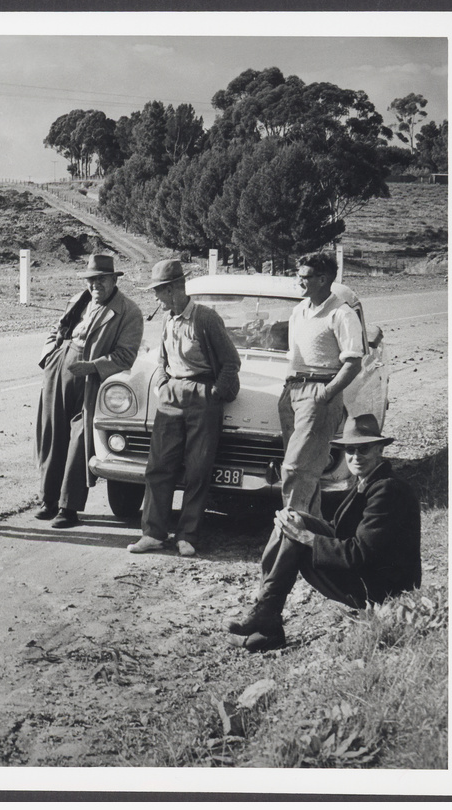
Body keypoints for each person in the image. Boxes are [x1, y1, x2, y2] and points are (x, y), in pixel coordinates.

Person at [226, 414, 421, 652]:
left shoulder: (387, 490)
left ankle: (267, 619)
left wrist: (306, 537)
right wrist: (296, 522)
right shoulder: (369, 482)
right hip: (367, 575)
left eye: (364, 449)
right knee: (292, 521)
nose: (355, 456)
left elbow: (360, 553)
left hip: (383, 589)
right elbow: (339, 530)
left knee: (296, 536)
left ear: (379, 450)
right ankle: (266, 618)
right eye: (350, 450)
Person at [127, 259, 241, 557]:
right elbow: (163, 359)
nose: (156, 297)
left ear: (177, 288)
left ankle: (187, 535)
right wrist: (163, 384)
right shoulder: (168, 319)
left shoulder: (205, 319)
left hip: (202, 395)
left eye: (160, 291)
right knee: (158, 466)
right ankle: (153, 533)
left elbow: (231, 362)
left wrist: (214, 393)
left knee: (198, 469)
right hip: (171, 396)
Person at [35, 253, 144, 528]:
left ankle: (68, 508)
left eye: (101, 279)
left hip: (92, 380)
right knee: (52, 433)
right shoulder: (79, 300)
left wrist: (93, 367)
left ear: (113, 280)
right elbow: (56, 329)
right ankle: (48, 500)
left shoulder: (129, 312)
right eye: (91, 280)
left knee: (80, 439)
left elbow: (125, 356)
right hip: (60, 369)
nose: (95, 285)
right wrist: (50, 355)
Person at [279, 252, 365, 519]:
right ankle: (311, 535)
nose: (299, 281)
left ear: (323, 279)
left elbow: (353, 363)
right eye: (299, 275)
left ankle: (291, 532)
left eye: (304, 277)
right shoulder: (298, 311)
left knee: (296, 467)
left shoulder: (341, 314)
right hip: (293, 392)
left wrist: (326, 394)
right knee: (306, 470)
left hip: (319, 393)